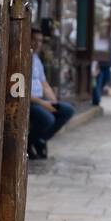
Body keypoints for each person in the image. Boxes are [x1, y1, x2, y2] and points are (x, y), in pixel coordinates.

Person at [28, 28, 75, 158]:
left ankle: (40, 139)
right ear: (28, 39)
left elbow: (45, 85)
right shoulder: (22, 57)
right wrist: (43, 103)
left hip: (41, 100)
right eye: (34, 40)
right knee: (48, 119)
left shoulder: (36, 59)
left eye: (40, 41)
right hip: (29, 102)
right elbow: (21, 92)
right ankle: (28, 143)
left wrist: (53, 102)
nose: (37, 44)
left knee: (67, 110)